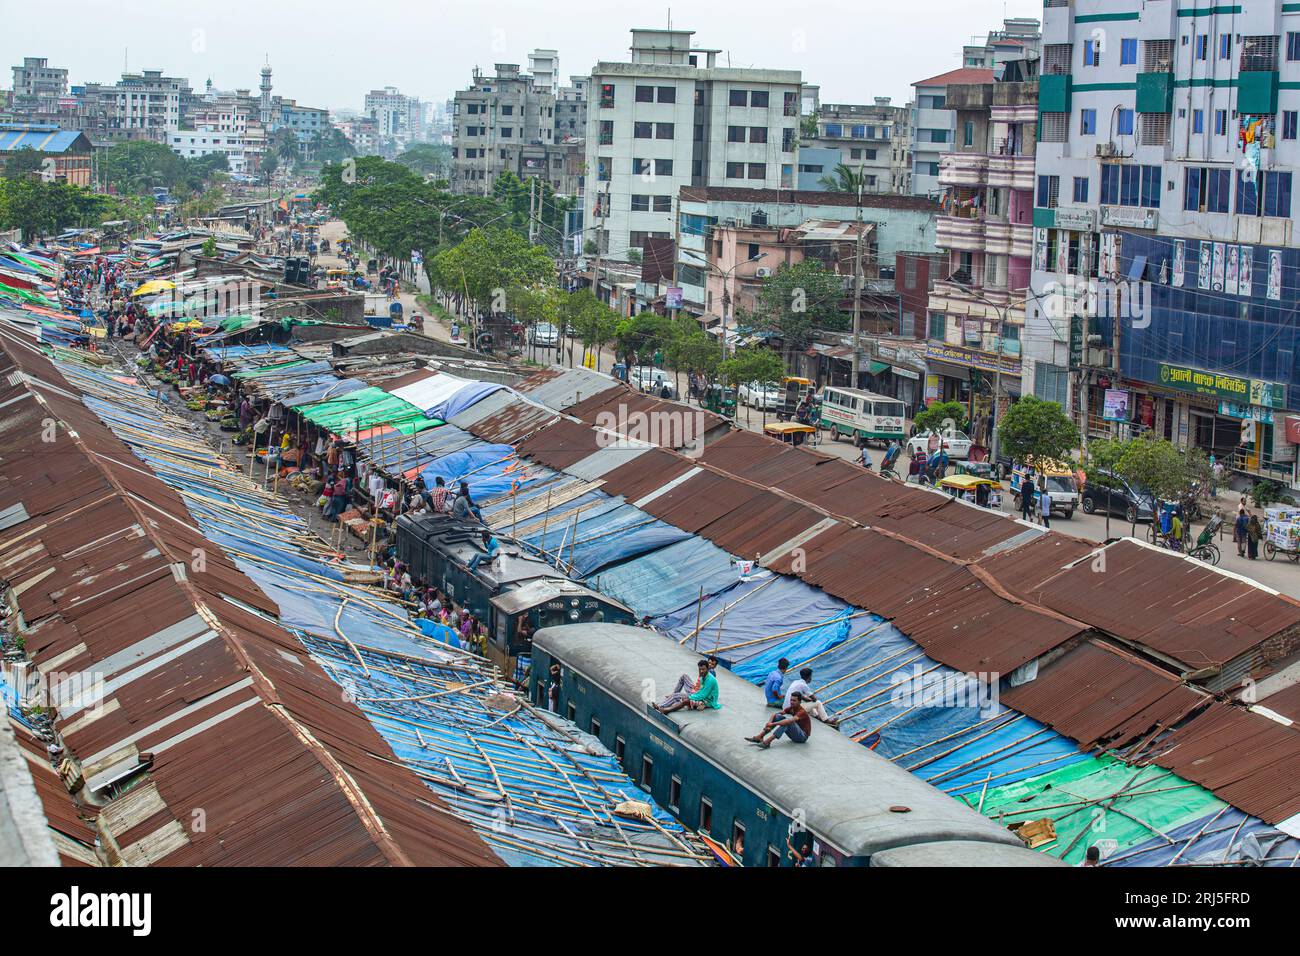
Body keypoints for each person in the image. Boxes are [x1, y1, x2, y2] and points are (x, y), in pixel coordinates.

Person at [745, 691, 812, 748]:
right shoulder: (792, 708)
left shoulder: (801, 712)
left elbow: (789, 721)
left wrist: (773, 724)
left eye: (794, 700)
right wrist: (769, 724)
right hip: (795, 733)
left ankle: (767, 742)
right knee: (778, 717)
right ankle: (760, 737)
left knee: (788, 722)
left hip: (802, 737)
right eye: (791, 700)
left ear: (800, 702)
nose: (792, 702)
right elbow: (775, 714)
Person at [655, 659, 720, 714]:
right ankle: (671, 697)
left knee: (679, 698)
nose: (701, 671)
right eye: (700, 669)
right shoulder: (704, 676)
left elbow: (703, 695)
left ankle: (662, 707)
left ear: (707, 668)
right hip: (698, 693)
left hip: (707, 700)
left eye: (703, 669)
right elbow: (700, 688)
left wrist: (690, 697)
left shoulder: (710, 679)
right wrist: (693, 692)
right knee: (684, 677)